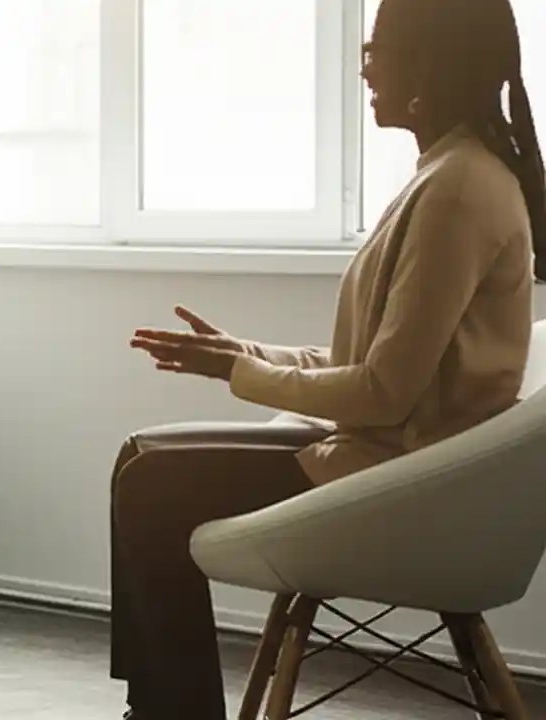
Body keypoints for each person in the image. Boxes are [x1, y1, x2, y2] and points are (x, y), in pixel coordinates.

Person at [113, 0, 544, 717]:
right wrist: (242, 354)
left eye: (377, 51)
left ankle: (174, 713)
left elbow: (383, 392)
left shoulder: (459, 190)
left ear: (429, 68)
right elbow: (380, 361)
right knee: (138, 456)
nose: (365, 69)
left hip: (401, 475)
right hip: (384, 454)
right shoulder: (447, 174)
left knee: (148, 485)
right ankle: (154, 707)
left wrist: (239, 373)